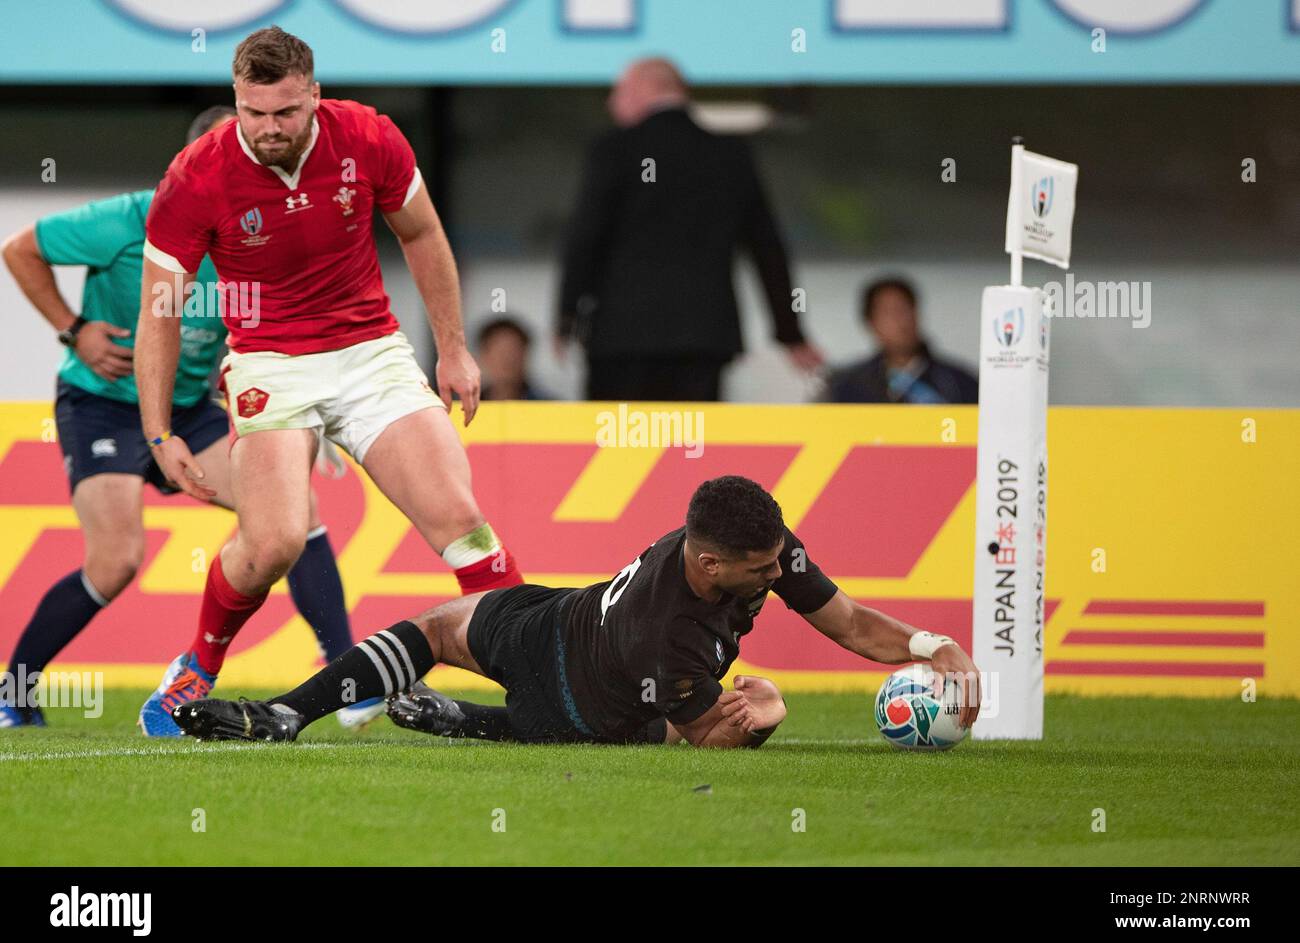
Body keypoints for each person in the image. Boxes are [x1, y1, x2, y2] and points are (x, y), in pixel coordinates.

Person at [133, 27, 524, 735]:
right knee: (273, 544)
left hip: (370, 350)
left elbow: (422, 234)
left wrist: (454, 350)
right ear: (237, 102)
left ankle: (538, 677)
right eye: (253, 113)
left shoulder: (368, 137)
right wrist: (158, 430)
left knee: (463, 527)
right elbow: (158, 310)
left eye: (285, 112)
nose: (268, 129)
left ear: (314, 95)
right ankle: (199, 660)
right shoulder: (197, 175)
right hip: (269, 362)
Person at [0, 107, 377, 732]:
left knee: (296, 513)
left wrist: (309, 408)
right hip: (104, 405)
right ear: (190, 165)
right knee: (116, 559)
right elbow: (20, 249)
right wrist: (74, 331)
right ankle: (14, 692)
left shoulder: (265, 234)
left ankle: (345, 674)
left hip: (192, 410)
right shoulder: (127, 219)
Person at [172, 476, 981, 747]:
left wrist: (931, 642)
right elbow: (714, 735)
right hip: (572, 677)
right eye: (764, 570)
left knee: (434, 633)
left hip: (564, 619)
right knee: (646, 727)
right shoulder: (672, 632)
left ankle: (294, 714)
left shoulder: (745, 541)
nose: (779, 575)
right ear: (709, 565)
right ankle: (469, 722)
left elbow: (842, 618)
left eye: (779, 560)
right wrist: (766, 713)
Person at [556, 58, 822, 402]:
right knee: (689, 449)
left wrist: (567, 316)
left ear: (645, 89)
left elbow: (584, 239)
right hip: (702, 339)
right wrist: (791, 332)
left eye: (618, 91)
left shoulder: (614, 150)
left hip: (621, 338)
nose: (611, 102)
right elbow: (767, 247)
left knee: (619, 448)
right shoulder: (730, 154)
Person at [822, 276, 978, 404]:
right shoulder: (845, 385)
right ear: (870, 323)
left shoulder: (958, 383)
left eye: (905, 310)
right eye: (888, 313)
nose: (901, 321)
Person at [476, 316, 549, 400]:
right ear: (483, 356)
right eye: (500, 351)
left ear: (525, 354)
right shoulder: (462, 406)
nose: (507, 359)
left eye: (513, 350)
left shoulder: (550, 406)